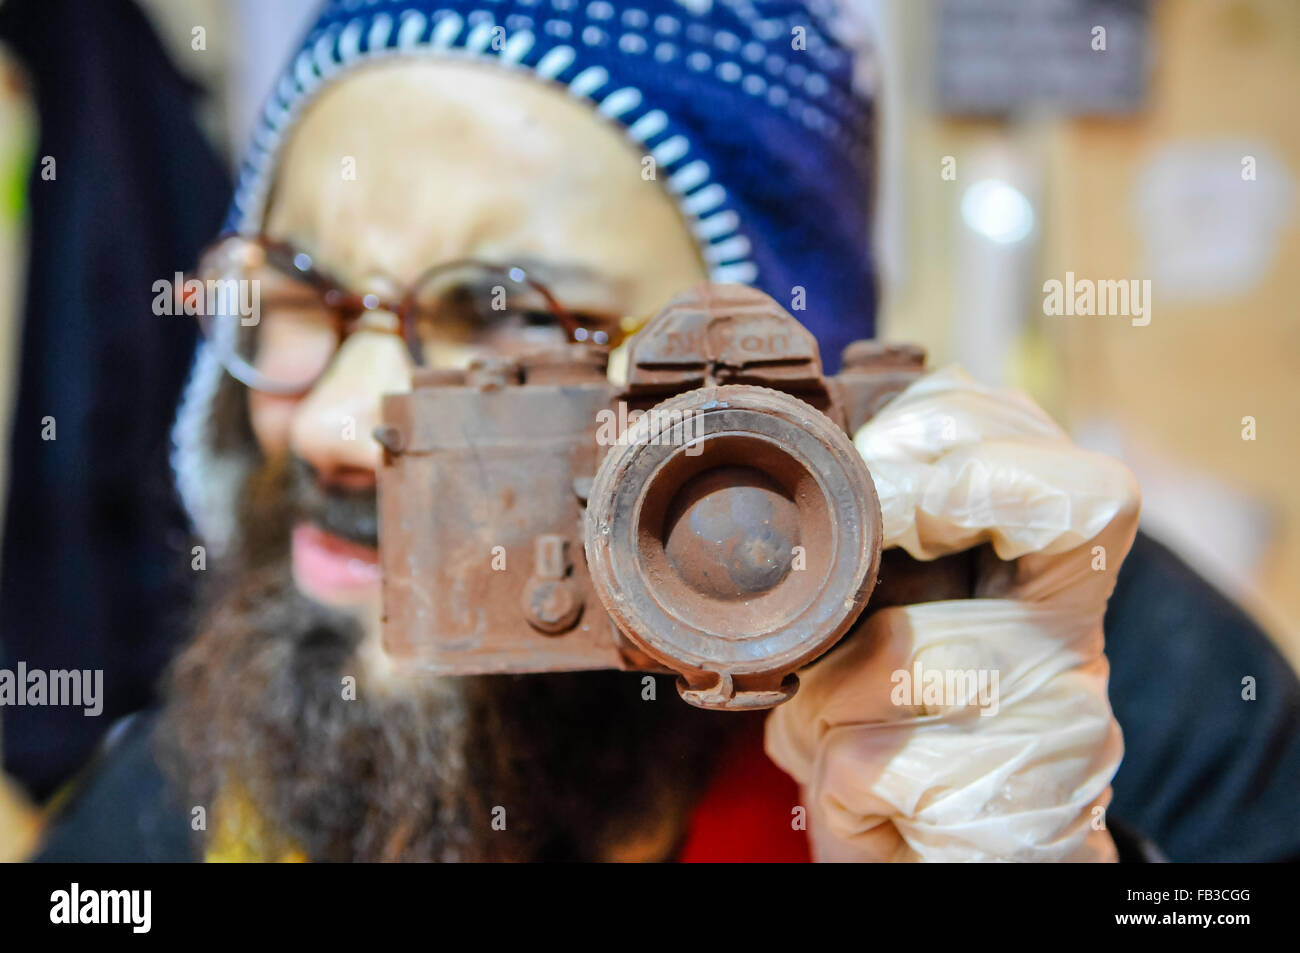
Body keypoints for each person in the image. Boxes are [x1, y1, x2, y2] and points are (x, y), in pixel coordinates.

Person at [36, 0, 1300, 862]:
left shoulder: (1116, 704)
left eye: (495, 313)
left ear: (758, 402)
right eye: (299, 291)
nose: (334, 419)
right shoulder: (194, 785)